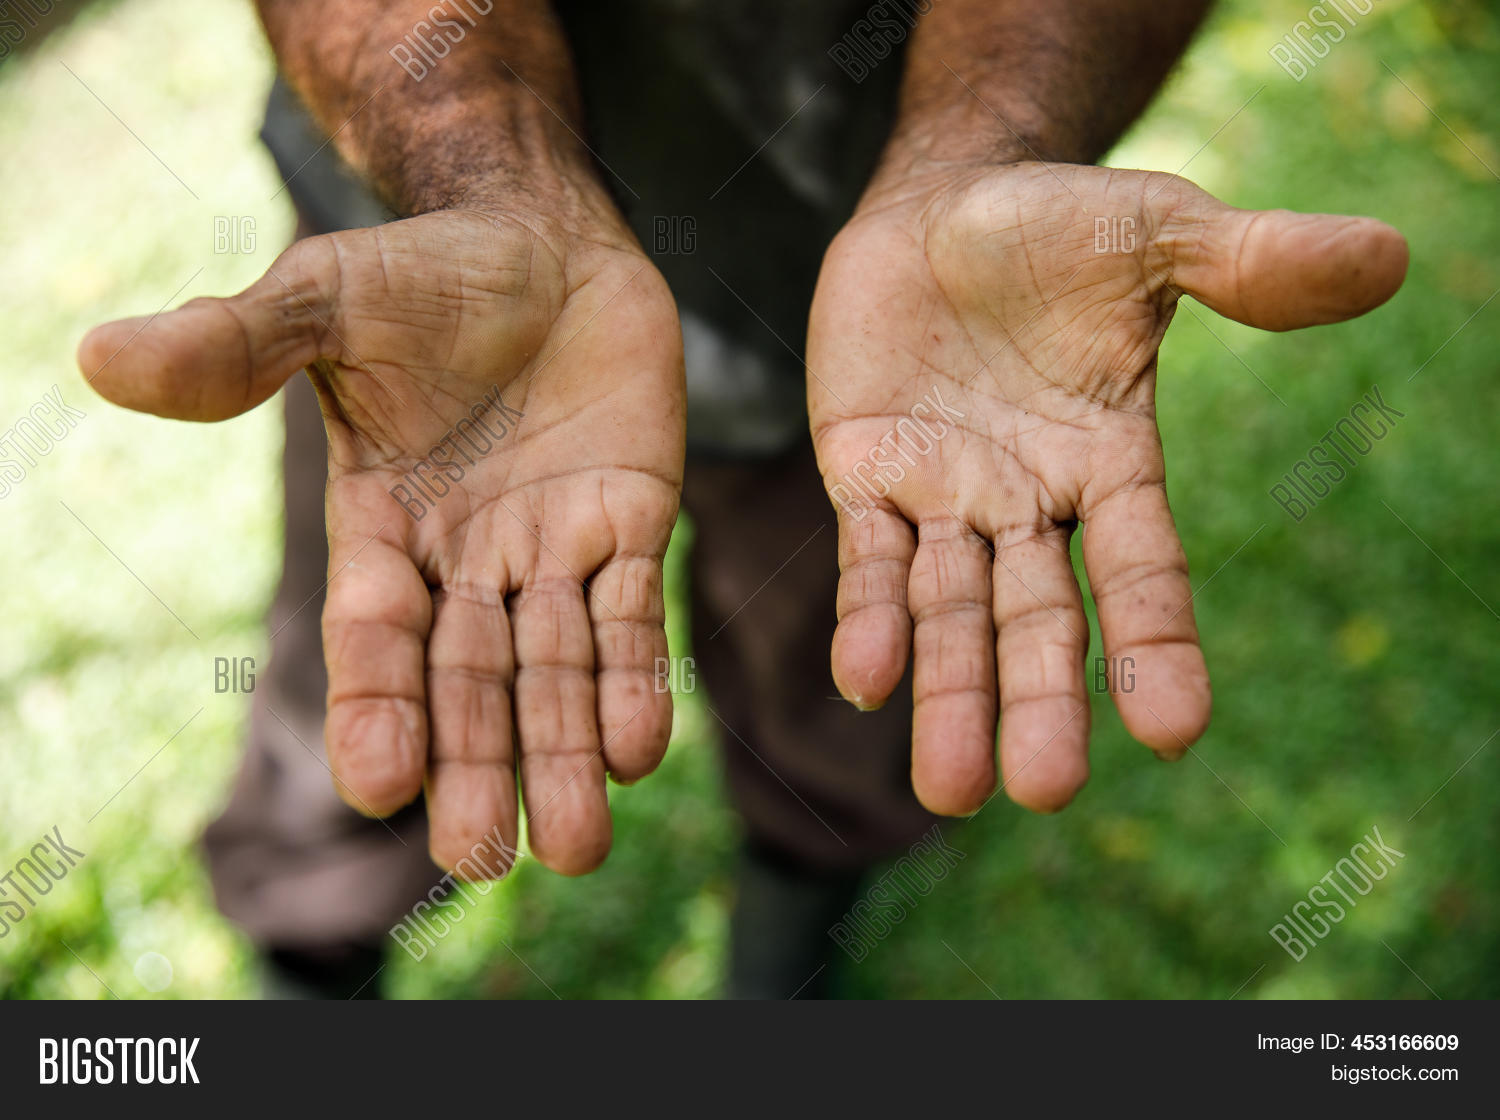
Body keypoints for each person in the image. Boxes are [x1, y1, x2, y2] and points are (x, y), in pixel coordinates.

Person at [78, 0, 1407, 998]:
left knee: (858, 675)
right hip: (445, 302)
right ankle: (317, 952)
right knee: (387, 674)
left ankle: (795, 910)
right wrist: (487, 178)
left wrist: (986, 147)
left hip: (903, 312)